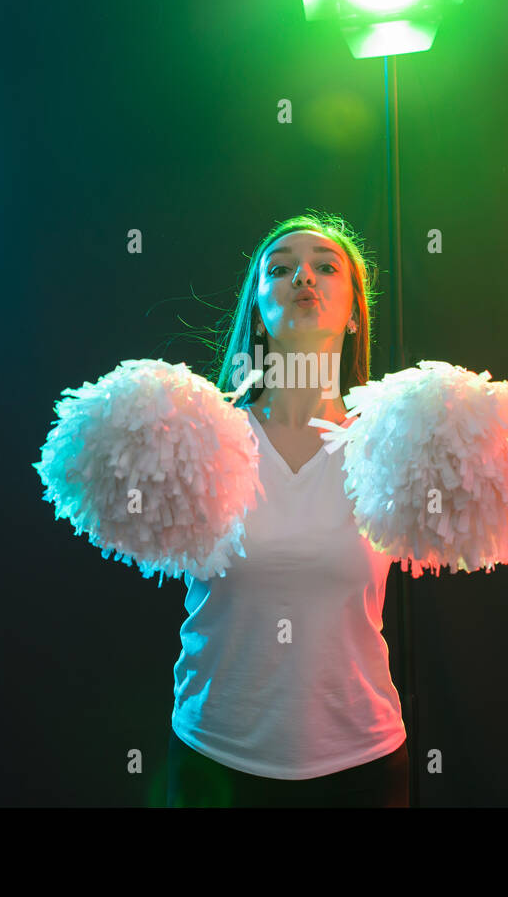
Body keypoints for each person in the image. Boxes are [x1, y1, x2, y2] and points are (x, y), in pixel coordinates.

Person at [167, 211, 409, 807]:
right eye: (279, 269)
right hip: (214, 763)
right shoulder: (198, 437)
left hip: (363, 766)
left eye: (326, 267)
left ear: (354, 311)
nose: (303, 275)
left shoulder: (396, 444)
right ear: (257, 306)